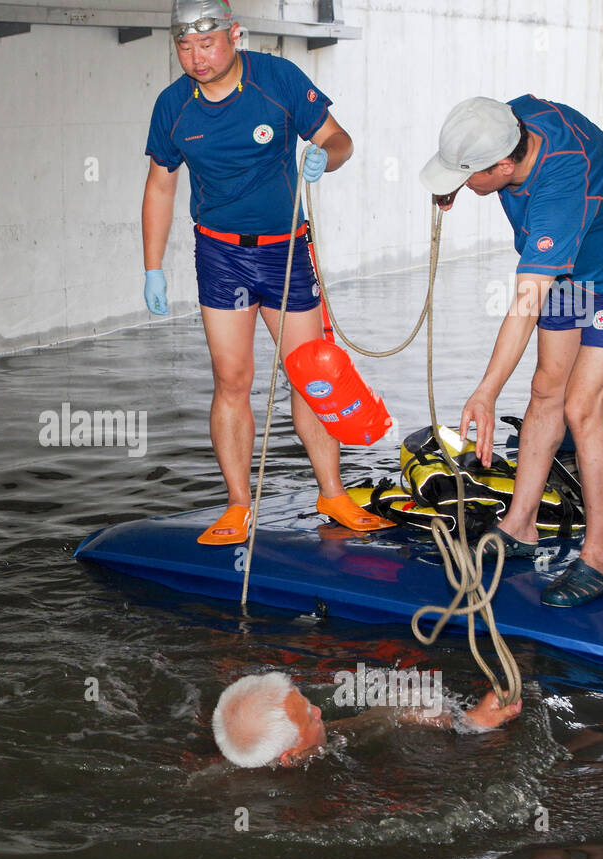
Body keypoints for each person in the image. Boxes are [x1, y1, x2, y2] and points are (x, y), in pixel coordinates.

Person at [141, 0, 394, 545]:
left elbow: (339, 138)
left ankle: (334, 494)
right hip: (220, 254)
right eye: (184, 46)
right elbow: (160, 185)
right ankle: (238, 506)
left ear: (235, 36)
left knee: (311, 375)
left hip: (285, 252)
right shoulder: (173, 106)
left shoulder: (276, 78)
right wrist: (152, 267)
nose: (196, 57)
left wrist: (328, 154)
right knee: (232, 380)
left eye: (206, 44)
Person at [419, 96, 603, 607]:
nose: (463, 182)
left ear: (503, 165)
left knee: (581, 407)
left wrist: (485, 392)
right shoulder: (509, 119)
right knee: (545, 389)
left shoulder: (559, 188)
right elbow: (479, 153)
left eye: (468, 177)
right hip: (570, 273)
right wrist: (454, 184)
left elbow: (526, 303)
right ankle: (521, 526)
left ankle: (598, 557)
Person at [212, 671, 521, 768]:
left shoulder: (301, 748)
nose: (319, 712)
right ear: (290, 757)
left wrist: (468, 720)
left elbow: (391, 712)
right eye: (310, 716)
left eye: (308, 703)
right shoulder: (306, 804)